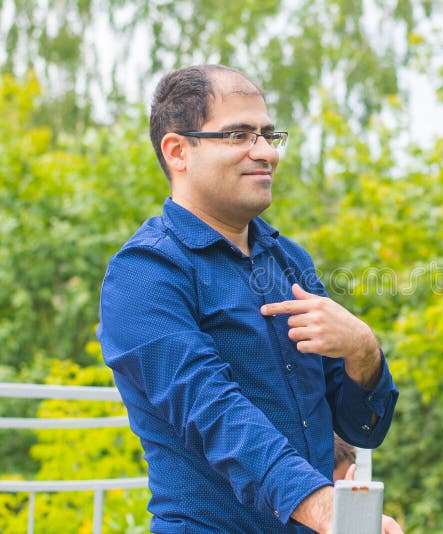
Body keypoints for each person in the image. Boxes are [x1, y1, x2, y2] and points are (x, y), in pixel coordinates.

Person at [97, 64, 400, 534]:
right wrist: (325, 509)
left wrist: (363, 348)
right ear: (178, 151)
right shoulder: (144, 275)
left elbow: (362, 427)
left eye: (266, 134)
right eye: (238, 135)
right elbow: (215, 414)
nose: (265, 153)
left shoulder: (289, 261)